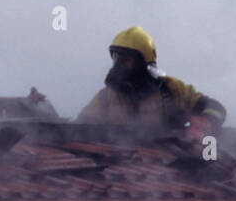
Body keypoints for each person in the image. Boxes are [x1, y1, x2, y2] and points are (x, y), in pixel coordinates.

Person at [76, 27, 226, 139]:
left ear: (144, 62)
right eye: (116, 58)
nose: (118, 65)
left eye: (126, 60)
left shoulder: (171, 89)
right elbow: (76, 130)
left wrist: (206, 122)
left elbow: (215, 108)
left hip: (171, 166)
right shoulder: (104, 98)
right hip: (122, 168)